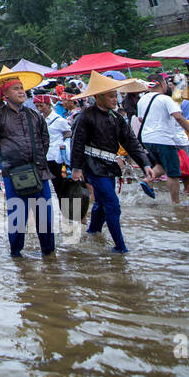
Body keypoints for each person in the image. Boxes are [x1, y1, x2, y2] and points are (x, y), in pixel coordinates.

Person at [71, 73, 151, 253]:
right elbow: (76, 144)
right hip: (93, 167)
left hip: (110, 166)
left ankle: (93, 231)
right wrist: (75, 169)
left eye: (116, 95)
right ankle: (120, 247)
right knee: (113, 205)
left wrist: (145, 164)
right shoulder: (84, 117)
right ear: (98, 97)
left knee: (101, 201)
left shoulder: (117, 118)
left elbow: (131, 142)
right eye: (111, 96)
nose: (116, 100)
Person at [0, 69, 54, 257]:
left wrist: (36, 159)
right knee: (17, 217)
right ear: (5, 94)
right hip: (13, 174)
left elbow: (44, 139)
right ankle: (16, 254)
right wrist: (6, 161)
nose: (21, 91)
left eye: (22, 88)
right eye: (16, 89)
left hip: (39, 171)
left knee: (44, 217)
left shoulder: (34, 115)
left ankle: (48, 253)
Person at [136, 75, 189, 204]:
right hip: (164, 139)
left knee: (161, 165)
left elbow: (140, 119)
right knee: (173, 173)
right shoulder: (166, 99)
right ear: (162, 83)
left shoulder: (142, 100)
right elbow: (178, 116)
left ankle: (147, 180)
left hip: (147, 139)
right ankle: (176, 203)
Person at [42, 94, 87, 224]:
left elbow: (69, 134)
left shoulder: (59, 120)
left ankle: (78, 216)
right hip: (46, 159)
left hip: (59, 159)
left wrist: (63, 144)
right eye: (37, 106)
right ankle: (67, 216)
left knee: (68, 187)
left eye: (42, 106)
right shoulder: (39, 119)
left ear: (49, 105)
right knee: (57, 188)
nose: (40, 108)